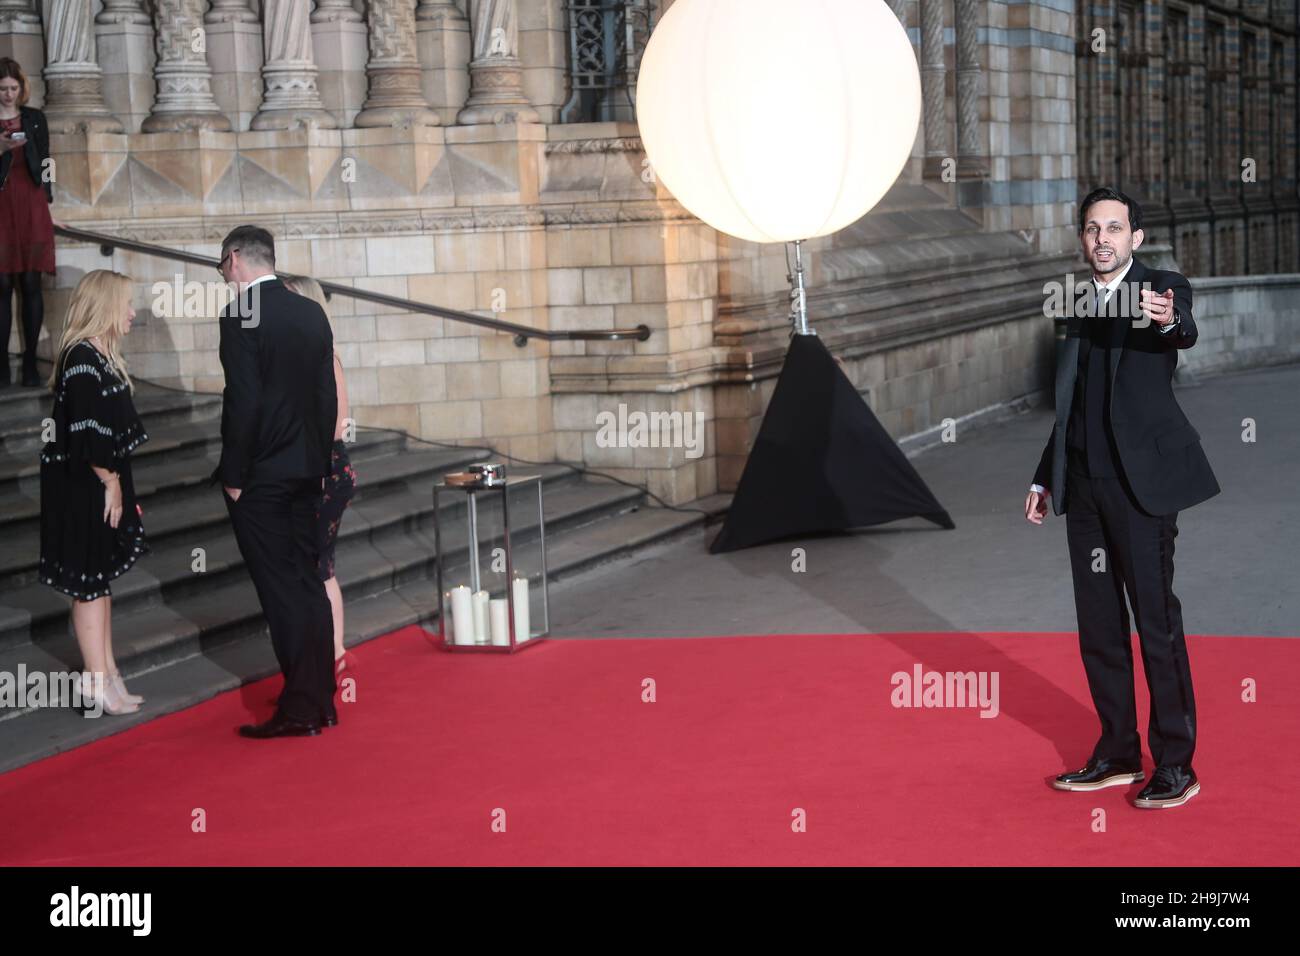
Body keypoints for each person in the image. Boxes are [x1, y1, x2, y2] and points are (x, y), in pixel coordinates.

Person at [1025, 187, 1220, 809]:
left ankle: (1176, 764)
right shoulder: (1077, 301)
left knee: (1156, 623)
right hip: (1085, 489)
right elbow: (1071, 401)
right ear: (1083, 239)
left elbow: (1181, 329)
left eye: (1114, 228)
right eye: (1092, 228)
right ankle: (1116, 752)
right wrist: (1045, 476)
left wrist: (1166, 318)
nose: (1102, 238)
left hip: (1142, 490)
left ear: (1135, 237)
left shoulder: (1162, 285)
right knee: (1099, 626)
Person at [214, 226, 338, 739]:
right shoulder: (310, 311)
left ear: (234, 258)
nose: (223, 275)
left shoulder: (240, 314)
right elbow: (326, 395)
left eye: (221, 266)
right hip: (307, 469)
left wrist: (234, 475)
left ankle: (301, 709)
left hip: (262, 477)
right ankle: (320, 698)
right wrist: (320, 461)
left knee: (281, 591)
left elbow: (243, 402)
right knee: (307, 582)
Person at [39, 270, 149, 716]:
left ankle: (108, 674)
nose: (132, 313)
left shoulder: (100, 354)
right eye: (126, 304)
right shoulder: (82, 358)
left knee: (99, 583)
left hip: (99, 479)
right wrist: (112, 484)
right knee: (87, 583)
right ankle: (96, 680)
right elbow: (86, 432)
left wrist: (116, 482)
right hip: (83, 484)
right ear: (104, 306)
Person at [284, 276, 357, 675]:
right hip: (319, 470)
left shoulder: (325, 357)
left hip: (326, 472)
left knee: (317, 566)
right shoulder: (308, 355)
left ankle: (331, 650)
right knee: (318, 565)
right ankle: (330, 649)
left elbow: (338, 425)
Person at [0, 57, 57, 388]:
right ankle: (2, 365)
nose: (8, 94)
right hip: (2, 206)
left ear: (21, 87)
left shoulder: (34, 118)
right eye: (3, 89)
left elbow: (46, 160)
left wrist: (48, 200)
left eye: (13, 88)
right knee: (2, 285)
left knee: (31, 283)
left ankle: (31, 362)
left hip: (31, 203)